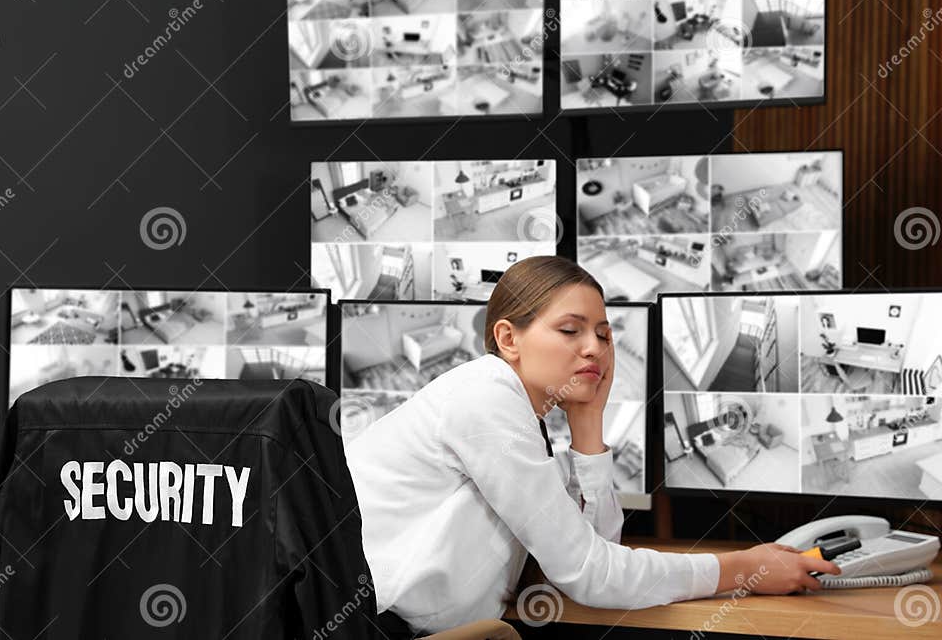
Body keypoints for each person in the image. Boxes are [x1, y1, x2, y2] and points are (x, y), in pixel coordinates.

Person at [345, 256, 841, 635]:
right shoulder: (484, 394)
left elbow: (595, 550)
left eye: (603, 334)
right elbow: (589, 573)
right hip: (384, 630)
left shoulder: (524, 424)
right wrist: (742, 568)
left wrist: (588, 423)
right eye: (570, 330)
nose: (595, 348)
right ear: (507, 339)